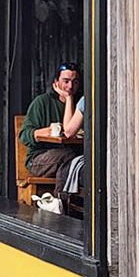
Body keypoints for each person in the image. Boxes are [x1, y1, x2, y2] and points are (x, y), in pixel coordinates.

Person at [20, 62, 82, 194]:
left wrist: (69, 100)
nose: (70, 86)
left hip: (69, 157)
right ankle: (61, 200)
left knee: (74, 159)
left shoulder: (79, 105)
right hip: (38, 159)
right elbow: (24, 135)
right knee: (68, 156)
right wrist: (40, 133)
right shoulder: (42, 102)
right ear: (56, 82)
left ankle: (59, 203)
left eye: (74, 82)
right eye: (66, 81)